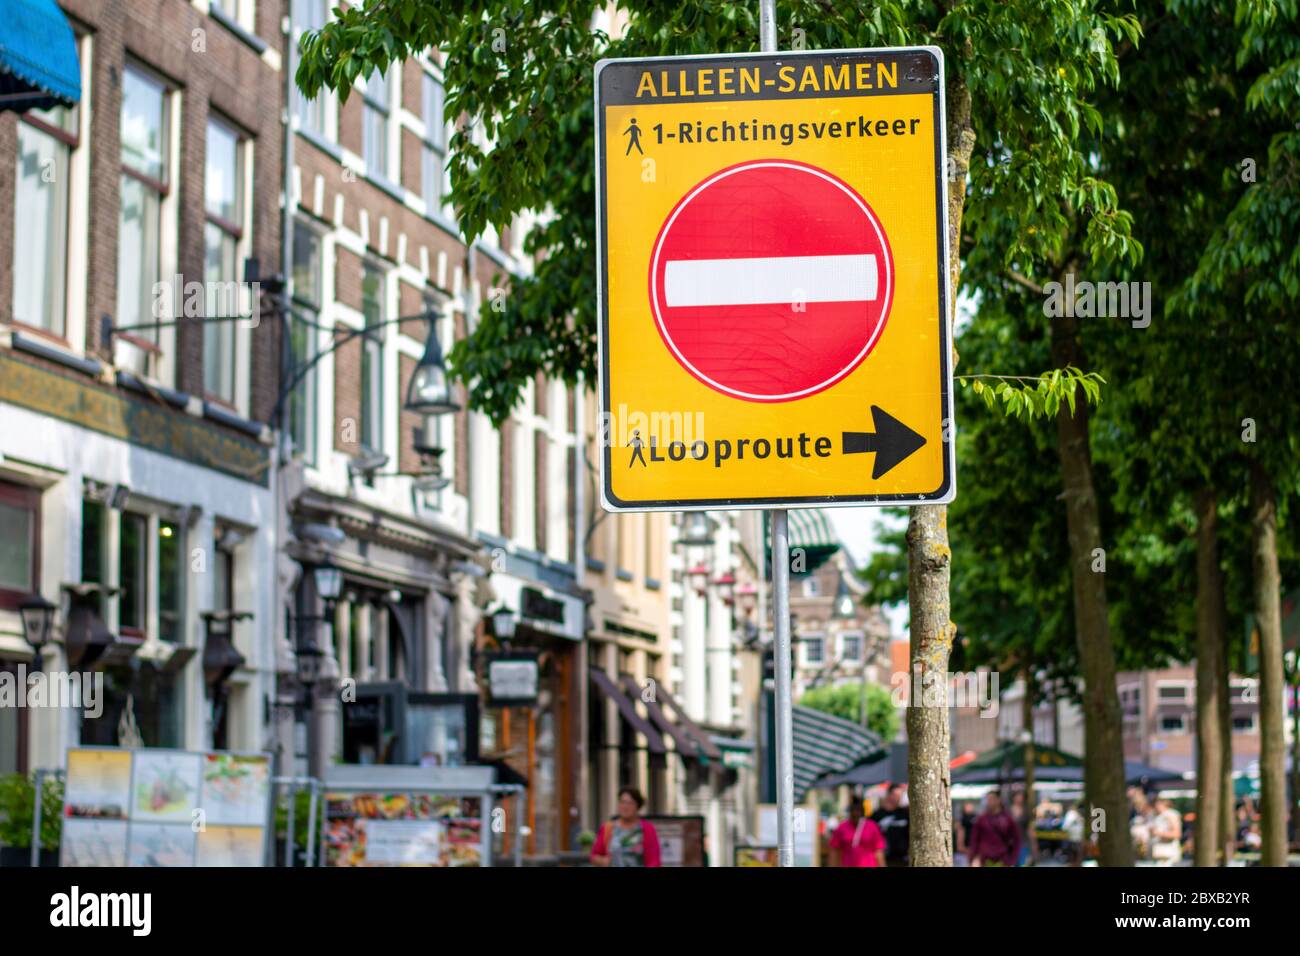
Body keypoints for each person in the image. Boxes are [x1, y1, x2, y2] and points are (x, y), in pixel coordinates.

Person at [590, 787, 661, 867]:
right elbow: (594, 856)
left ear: (638, 806)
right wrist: (602, 861)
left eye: (630, 803)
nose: (625, 806)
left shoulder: (647, 829)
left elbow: (654, 861)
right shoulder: (608, 828)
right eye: (622, 802)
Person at [969, 792, 1021, 867]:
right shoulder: (981, 819)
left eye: (992, 798)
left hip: (1003, 860)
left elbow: (1017, 840)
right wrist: (973, 858)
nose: (989, 801)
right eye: (988, 799)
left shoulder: (1008, 819)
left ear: (999, 800)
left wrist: (1012, 860)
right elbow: (974, 840)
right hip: (985, 860)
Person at [829, 799, 885, 868]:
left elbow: (878, 850)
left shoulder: (872, 826)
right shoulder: (842, 827)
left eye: (858, 813)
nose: (855, 815)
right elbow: (834, 850)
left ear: (862, 814)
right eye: (853, 814)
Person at [871, 784, 910, 867]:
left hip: (902, 859)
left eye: (900, 795)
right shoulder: (877, 815)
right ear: (888, 795)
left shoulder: (905, 814)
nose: (897, 798)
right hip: (883, 859)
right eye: (895, 795)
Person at [1149, 796, 1182, 865]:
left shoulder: (1171, 814)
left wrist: (1158, 833)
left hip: (1168, 854)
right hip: (1157, 854)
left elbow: (1177, 834)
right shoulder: (1154, 815)